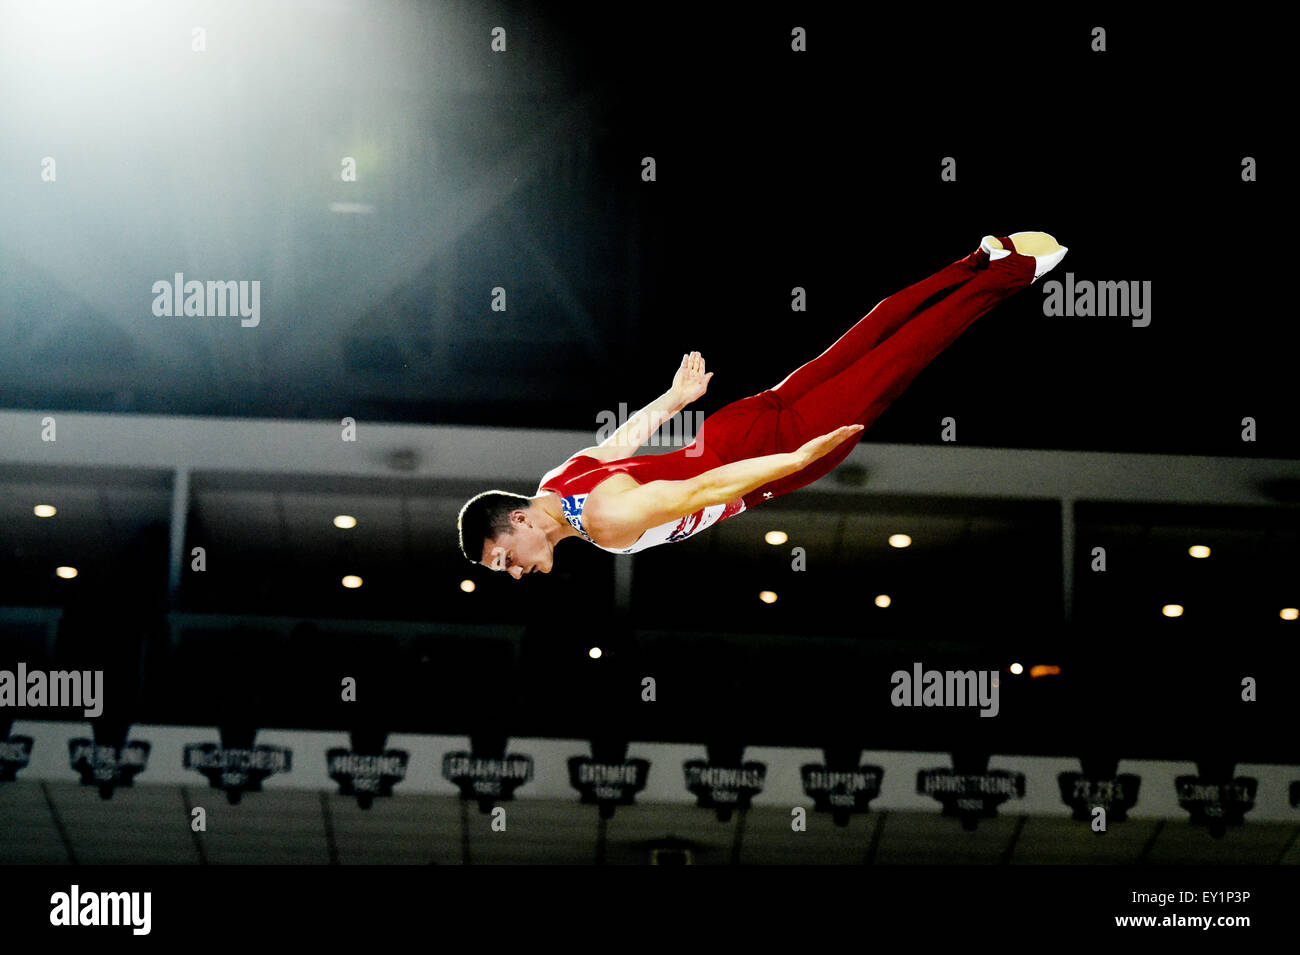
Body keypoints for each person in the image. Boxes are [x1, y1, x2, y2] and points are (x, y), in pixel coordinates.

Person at [459, 233, 1067, 578]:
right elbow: (616, 445)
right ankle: (975, 260)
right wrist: (675, 399)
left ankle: (1011, 272)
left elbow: (710, 489)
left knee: (897, 362)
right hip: (732, 425)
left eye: (504, 559)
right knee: (861, 341)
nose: (516, 572)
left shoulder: (604, 525)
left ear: (519, 521)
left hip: (762, 457)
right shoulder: (557, 479)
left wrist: (795, 460)